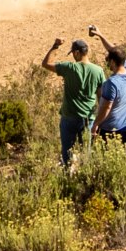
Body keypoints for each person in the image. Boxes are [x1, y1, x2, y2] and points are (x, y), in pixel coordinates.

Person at [42, 33, 106, 168]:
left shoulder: (69, 68)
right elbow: (101, 98)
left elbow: (46, 64)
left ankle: (67, 177)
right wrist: (99, 121)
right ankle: (85, 179)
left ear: (77, 53)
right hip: (88, 118)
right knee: (86, 155)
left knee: (67, 154)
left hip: (69, 117)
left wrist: (55, 46)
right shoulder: (98, 71)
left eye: (72, 53)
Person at [93, 38, 126, 146]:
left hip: (110, 128)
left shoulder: (111, 83)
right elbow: (115, 51)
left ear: (112, 62)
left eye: (108, 61)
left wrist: (96, 124)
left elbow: (106, 108)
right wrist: (100, 35)